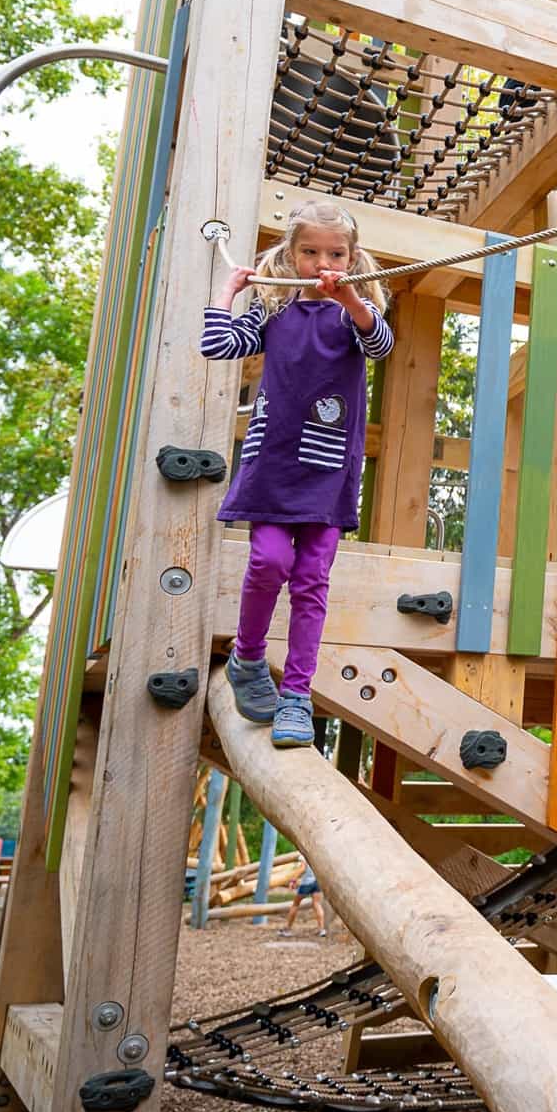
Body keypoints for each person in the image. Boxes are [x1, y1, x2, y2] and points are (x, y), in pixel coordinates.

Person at [203, 199, 394, 747]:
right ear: (292, 255)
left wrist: (352, 294)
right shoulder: (276, 308)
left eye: (334, 253)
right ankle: (248, 655)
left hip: (328, 466)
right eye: (309, 252)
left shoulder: (353, 314)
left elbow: (379, 345)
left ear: (353, 258)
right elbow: (217, 343)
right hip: (274, 462)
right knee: (268, 560)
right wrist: (228, 293)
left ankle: (296, 697)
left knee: (311, 579)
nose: (321, 262)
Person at [281, 854, 329, 937]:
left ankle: (287, 929)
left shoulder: (304, 854)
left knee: (295, 905)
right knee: (317, 904)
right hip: (316, 882)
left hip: (307, 883)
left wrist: (293, 879)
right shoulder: (317, 854)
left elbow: (303, 868)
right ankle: (321, 929)